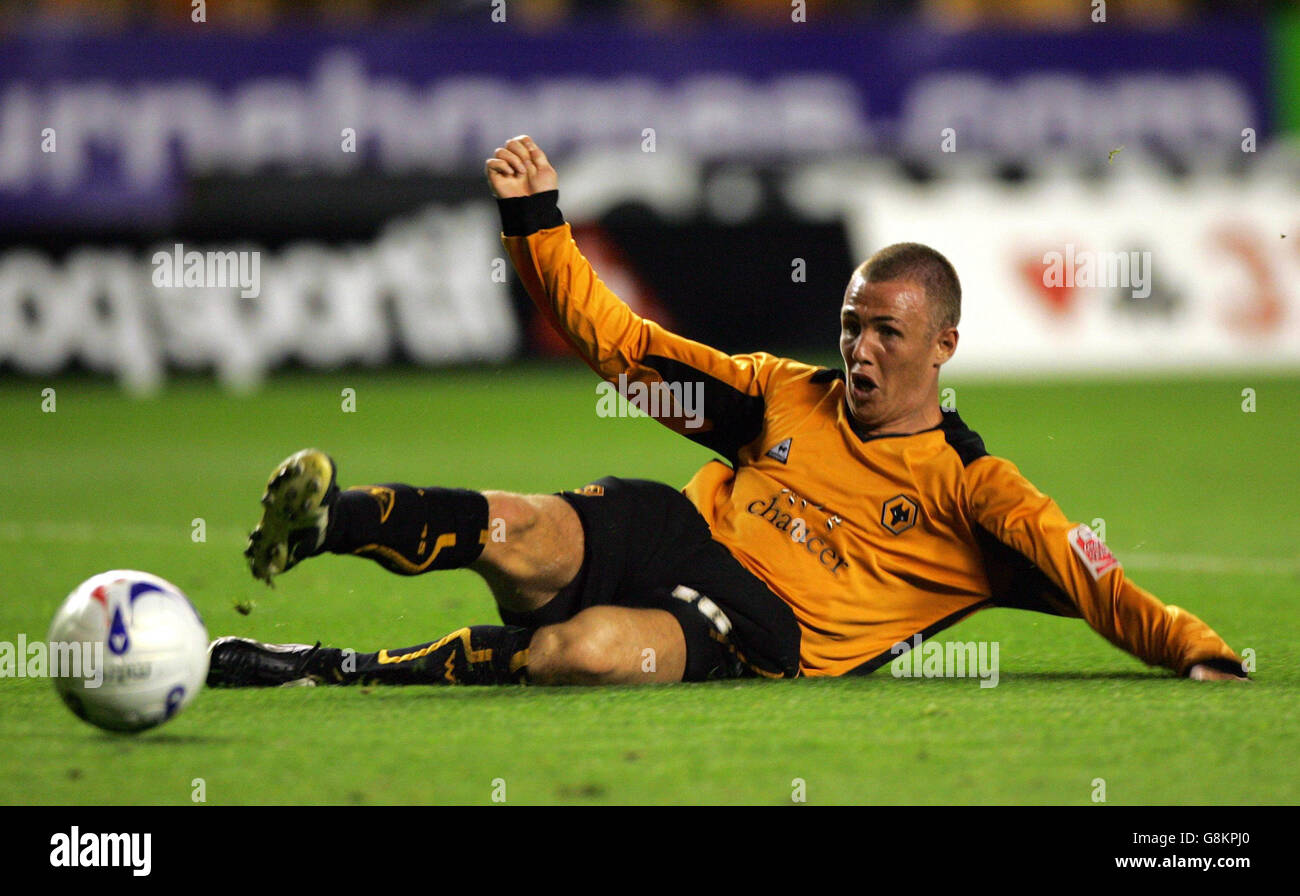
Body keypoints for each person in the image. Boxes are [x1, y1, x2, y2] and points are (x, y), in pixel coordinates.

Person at [207, 135, 1247, 688]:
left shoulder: (974, 493)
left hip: (765, 625)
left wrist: (1192, 646)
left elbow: (1090, 572)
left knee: (581, 654)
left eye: (887, 330)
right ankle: (324, 519)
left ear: (944, 346)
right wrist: (536, 224)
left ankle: (319, 668)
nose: (859, 345)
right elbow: (622, 347)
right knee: (518, 529)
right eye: (850, 322)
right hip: (682, 531)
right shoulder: (773, 396)